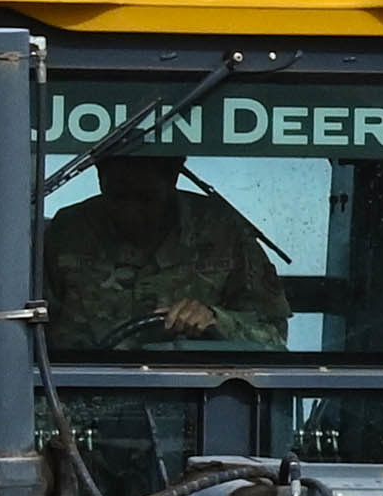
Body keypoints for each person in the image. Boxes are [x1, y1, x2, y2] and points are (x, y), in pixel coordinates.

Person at [40, 143, 293, 352]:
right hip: (75, 398)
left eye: (146, 198)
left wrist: (215, 320)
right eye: (118, 196)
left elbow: (273, 337)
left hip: (187, 401)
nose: (131, 213)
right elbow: (22, 329)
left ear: (173, 179)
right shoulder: (67, 233)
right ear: (99, 178)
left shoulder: (222, 233)